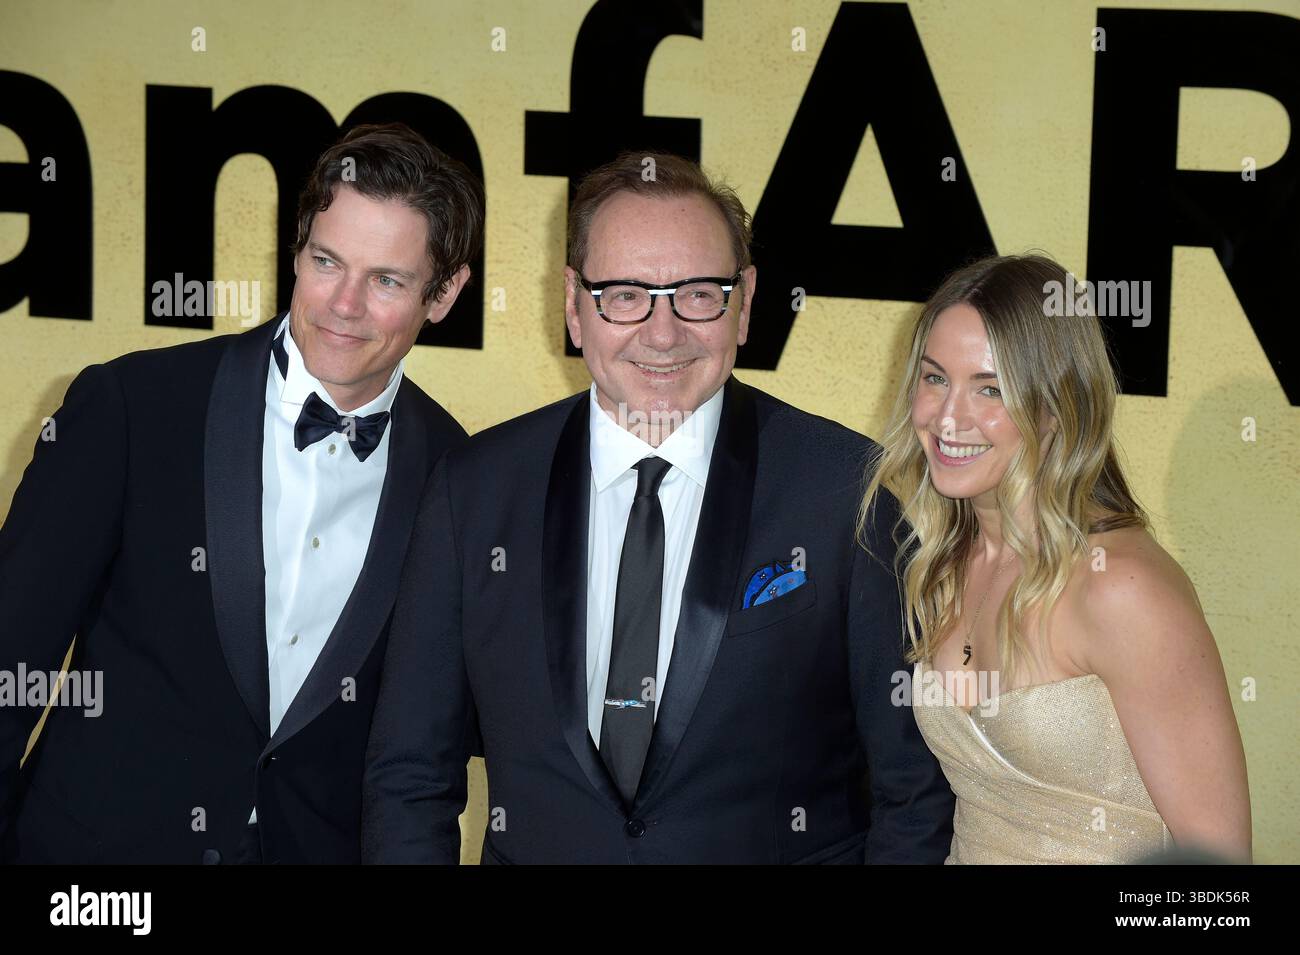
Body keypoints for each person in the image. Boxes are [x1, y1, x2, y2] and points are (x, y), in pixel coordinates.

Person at [362, 151, 954, 864]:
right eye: (625, 293)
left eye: (698, 293)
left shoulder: (847, 492)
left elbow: (914, 793)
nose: (663, 331)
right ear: (574, 305)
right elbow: (410, 775)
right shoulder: (474, 490)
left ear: (745, 302)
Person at [0, 122, 483, 863]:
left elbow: (425, 754)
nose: (343, 304)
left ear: (445, 292)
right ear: (297, 251)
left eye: (386, 279)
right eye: (326, 262)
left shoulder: (460, 476)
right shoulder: (133, 407)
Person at [860, 253, 1251, 863]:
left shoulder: (1120, 587)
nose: (947, 418)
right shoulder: (937, 563)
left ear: (1054, 409)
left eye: (990, 389)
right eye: (935, 378)